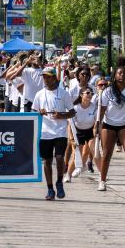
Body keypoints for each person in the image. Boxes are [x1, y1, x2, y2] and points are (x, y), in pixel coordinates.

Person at [32, 67, 75, 200]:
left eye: (48, 76)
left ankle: (59, 182)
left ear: (54, 78)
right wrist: (39, 112)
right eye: (44, 77)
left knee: (60, 157)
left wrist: (61, 115)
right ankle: (50, 189)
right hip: (45, 132)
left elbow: (72, 112)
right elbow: (33, 111)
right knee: (47, 161)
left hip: (60, 131)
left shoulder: (64, 93)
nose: (45, 79)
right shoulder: (39, 94)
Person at [96, 66, 125, 192]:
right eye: (119, 73)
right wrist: (97, 124)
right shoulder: (107, 91)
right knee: (106, 153)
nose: (122, 75)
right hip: (109, 124)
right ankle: (102, 181)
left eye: (124, 73)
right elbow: (102, 109)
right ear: (115, 75)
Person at [67, 87, 97, 180]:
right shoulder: (75, 108)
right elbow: (70, 125)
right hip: (78, 131)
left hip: (90, 131)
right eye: (87, 93)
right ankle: (68, 175)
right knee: (76, 155)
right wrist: (71, 138)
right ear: (81, 95)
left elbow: (97, 121)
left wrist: (95, 129)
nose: (90, 95)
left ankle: (83, 167)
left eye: (91, 93)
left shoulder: (94, 106)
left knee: (90, 151)